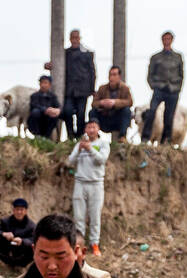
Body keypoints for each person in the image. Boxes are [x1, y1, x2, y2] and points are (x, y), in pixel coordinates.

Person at [68, 119, 109, 255]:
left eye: (93, 127)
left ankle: (94, 244)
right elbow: (70, 161)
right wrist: (79, 150)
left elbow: (101, 160)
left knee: (95, 215)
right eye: (88, 127)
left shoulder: (103, 143)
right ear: (85, 129)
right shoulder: (80, 144)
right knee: (79, 216)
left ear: (98, 129)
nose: (91, 130)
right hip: (80, 183)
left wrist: (90, 149)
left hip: (96, 183)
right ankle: (80, 244)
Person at [143, 31, 184, 144]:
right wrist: (154, 86)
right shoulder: (156, 57)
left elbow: (181, 74)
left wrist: (178, 87)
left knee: (169, 117)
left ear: (172, 40)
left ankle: (165, 140)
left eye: (168, 39)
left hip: (173, 90)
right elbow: (150, 74)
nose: (167, 41)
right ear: (162, 40)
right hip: (159, 89)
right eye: (165, 39)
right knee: (152, 112)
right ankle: (145, 137)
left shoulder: (177, 57)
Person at [54, 29, 96, 139]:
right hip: (69, 90)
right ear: (70, 39)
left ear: (79, 38)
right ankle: (70, 135)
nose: (74, 40)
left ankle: (79, 136)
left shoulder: (87, 54)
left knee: (81, 114)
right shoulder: (65, 53)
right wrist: (50, 66)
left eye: (76, 38)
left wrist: (92, 89)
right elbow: (57, 66)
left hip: (83, 90)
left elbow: (92, 72)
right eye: (72, 38)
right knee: (67, 111)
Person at [0, 199, 35, 275]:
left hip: (21, 254)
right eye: (17, 209)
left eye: (21, 210)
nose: (19, 212)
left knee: (34, 247)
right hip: (6, 251)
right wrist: (4, 234)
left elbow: (33, 240)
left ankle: (21, 266)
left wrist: (22, 241)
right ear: (13, 210)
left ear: (26, 211)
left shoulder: (31, 226)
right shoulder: (6, 221)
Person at [90, 66, 133, 140]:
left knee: (127, 111)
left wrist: (115, 103)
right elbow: (94, 103)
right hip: (104, 118)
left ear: (119, 76)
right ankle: (94, 137)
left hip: (117, 119)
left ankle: (122, 137)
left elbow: (130, 102)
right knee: (92, 112)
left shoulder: (125, 88)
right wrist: (101, 103)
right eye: (110, 74)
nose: (111, 77)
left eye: (114, 74)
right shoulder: (102, 88)